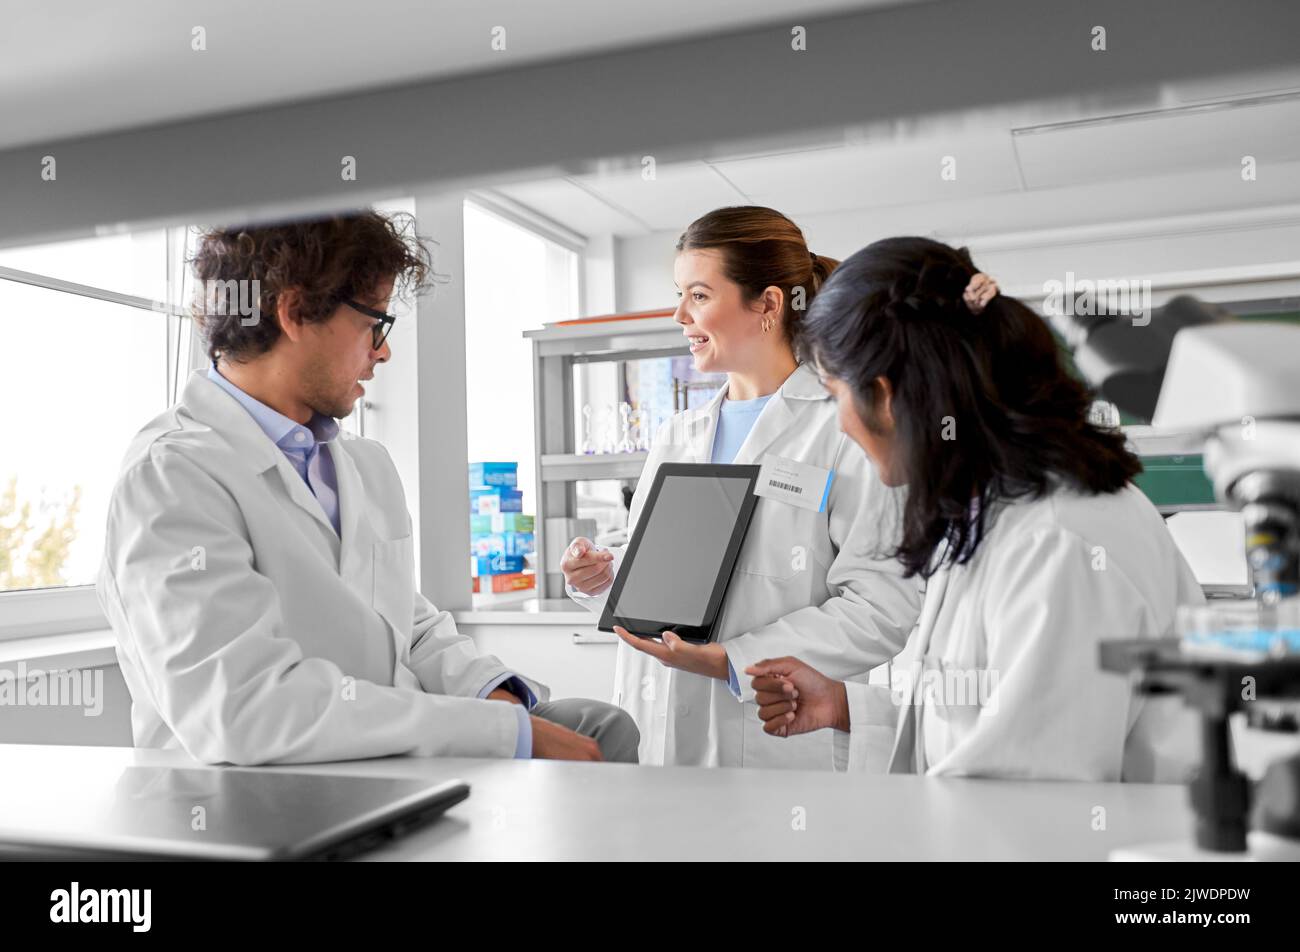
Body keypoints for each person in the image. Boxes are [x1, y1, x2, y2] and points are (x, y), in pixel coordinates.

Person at [98, 210, 638, 766]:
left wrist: (495, 700)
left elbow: (408, 622)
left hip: (386, 761)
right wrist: (504, 734)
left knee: (603, 727)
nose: (383, 352)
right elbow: (245, 711)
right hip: (256, 801)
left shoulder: (363, 462)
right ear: (294, 312)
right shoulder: (172, 476)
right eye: (372, 325)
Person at [747, 236, 1201, 782]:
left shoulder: (1056, 541)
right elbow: (981, 718)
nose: (840, 422)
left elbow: (1025, 800)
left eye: (836, 394)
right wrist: (846, 707)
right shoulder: (994, 512)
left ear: (886, 397)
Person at [563, 205, 997, 768]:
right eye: (679, 294)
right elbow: (677, 563)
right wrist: (604, 572)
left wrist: (733, 659)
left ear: (767, 304)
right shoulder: (680, 432)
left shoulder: (844, 422)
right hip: (661, 719)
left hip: (772, 738)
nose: (678, 315)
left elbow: (882, 605)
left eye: (698, 295)